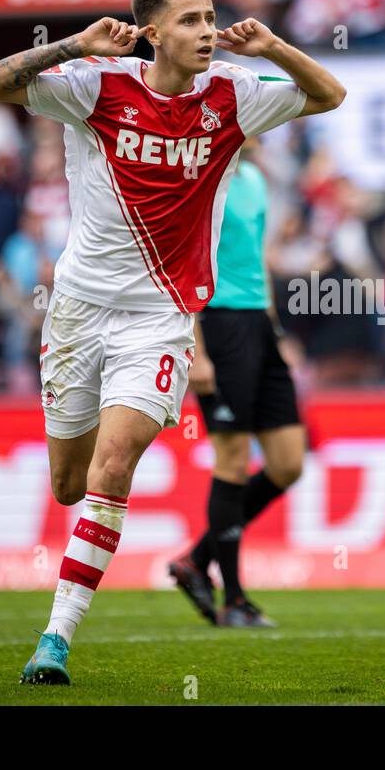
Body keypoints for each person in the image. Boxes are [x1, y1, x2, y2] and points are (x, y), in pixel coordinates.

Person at [0, 0, 346, 685]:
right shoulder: (96, 85)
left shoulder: (234, 92)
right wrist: (74, 45)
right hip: (79, 311)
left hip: (161, 316)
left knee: (116, 464)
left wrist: (270, 47)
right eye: (190, 21)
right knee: (67, 481)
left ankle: (55, 638)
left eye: (211, 19)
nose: (208, 32)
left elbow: (329, 95)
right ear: (151, 34)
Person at [167, 138, 306, 628]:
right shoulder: (200, 181)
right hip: (218, 325)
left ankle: (195, 560)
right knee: (232, 457)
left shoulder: (254, 180)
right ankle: (234, 597)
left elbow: (257, 262)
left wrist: (276, 330)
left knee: (289, 461)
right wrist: (196, 348)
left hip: (257, 327)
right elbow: (181, 265)